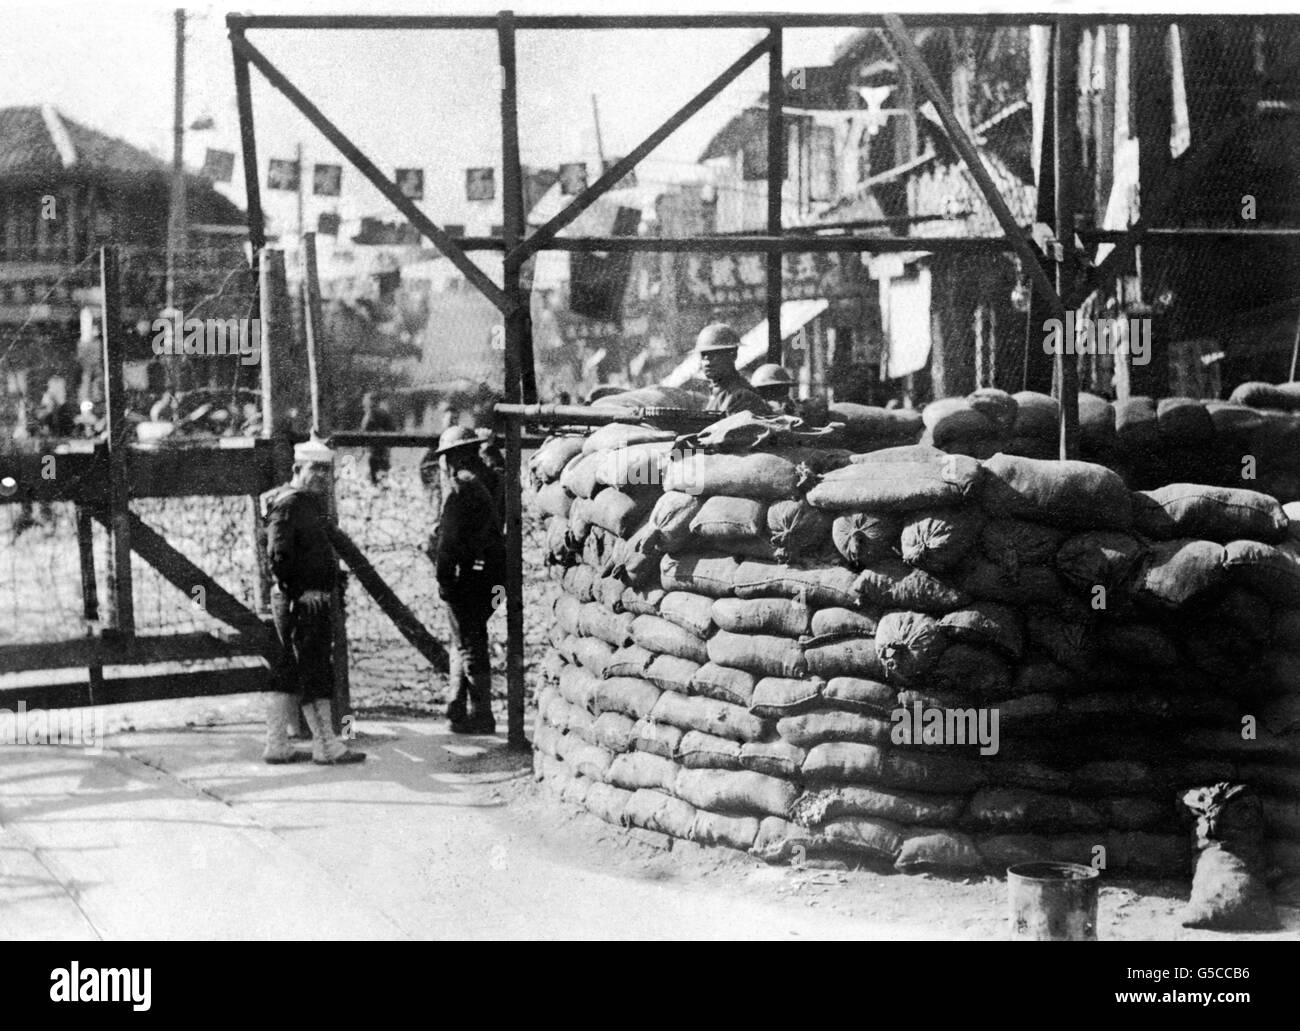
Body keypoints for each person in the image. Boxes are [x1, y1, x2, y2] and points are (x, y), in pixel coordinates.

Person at [260, 435, 365, 765]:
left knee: (289, 670)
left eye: (325, 469)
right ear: (296, 469)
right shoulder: (290, 505)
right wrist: (299, 591)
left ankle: (278, 744)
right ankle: (325, 745)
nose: (320, 475)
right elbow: (277, 555)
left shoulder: (304, 503)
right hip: (301, 602)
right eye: (313, 469)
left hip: (303, 600)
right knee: (314, 670)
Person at [426, 426, 506, 734]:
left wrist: (444, 579)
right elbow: (499, 468)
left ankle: (482, 714)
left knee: (469, 643)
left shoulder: (459, 490)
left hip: (466, 577)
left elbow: (449, 543)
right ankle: (456, 706)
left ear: (452, 458)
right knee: (466, 638)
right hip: (494, 576)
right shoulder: (491, 480)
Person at [695, 323, 768, 416]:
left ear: (733, 354)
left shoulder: (742, 397)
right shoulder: (717, 395)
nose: (707, 363)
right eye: (704, 356)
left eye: (714, 355)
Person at [359, 391, 396, 484]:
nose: (363, 402)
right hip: (379, 448)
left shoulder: (375, 413)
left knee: (377, 467)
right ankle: (379, 483)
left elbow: (372, 428)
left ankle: (377, 483)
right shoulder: (372, 413)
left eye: (365, 400)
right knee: (379, 468)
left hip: (378, 447)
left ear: (371, 402)